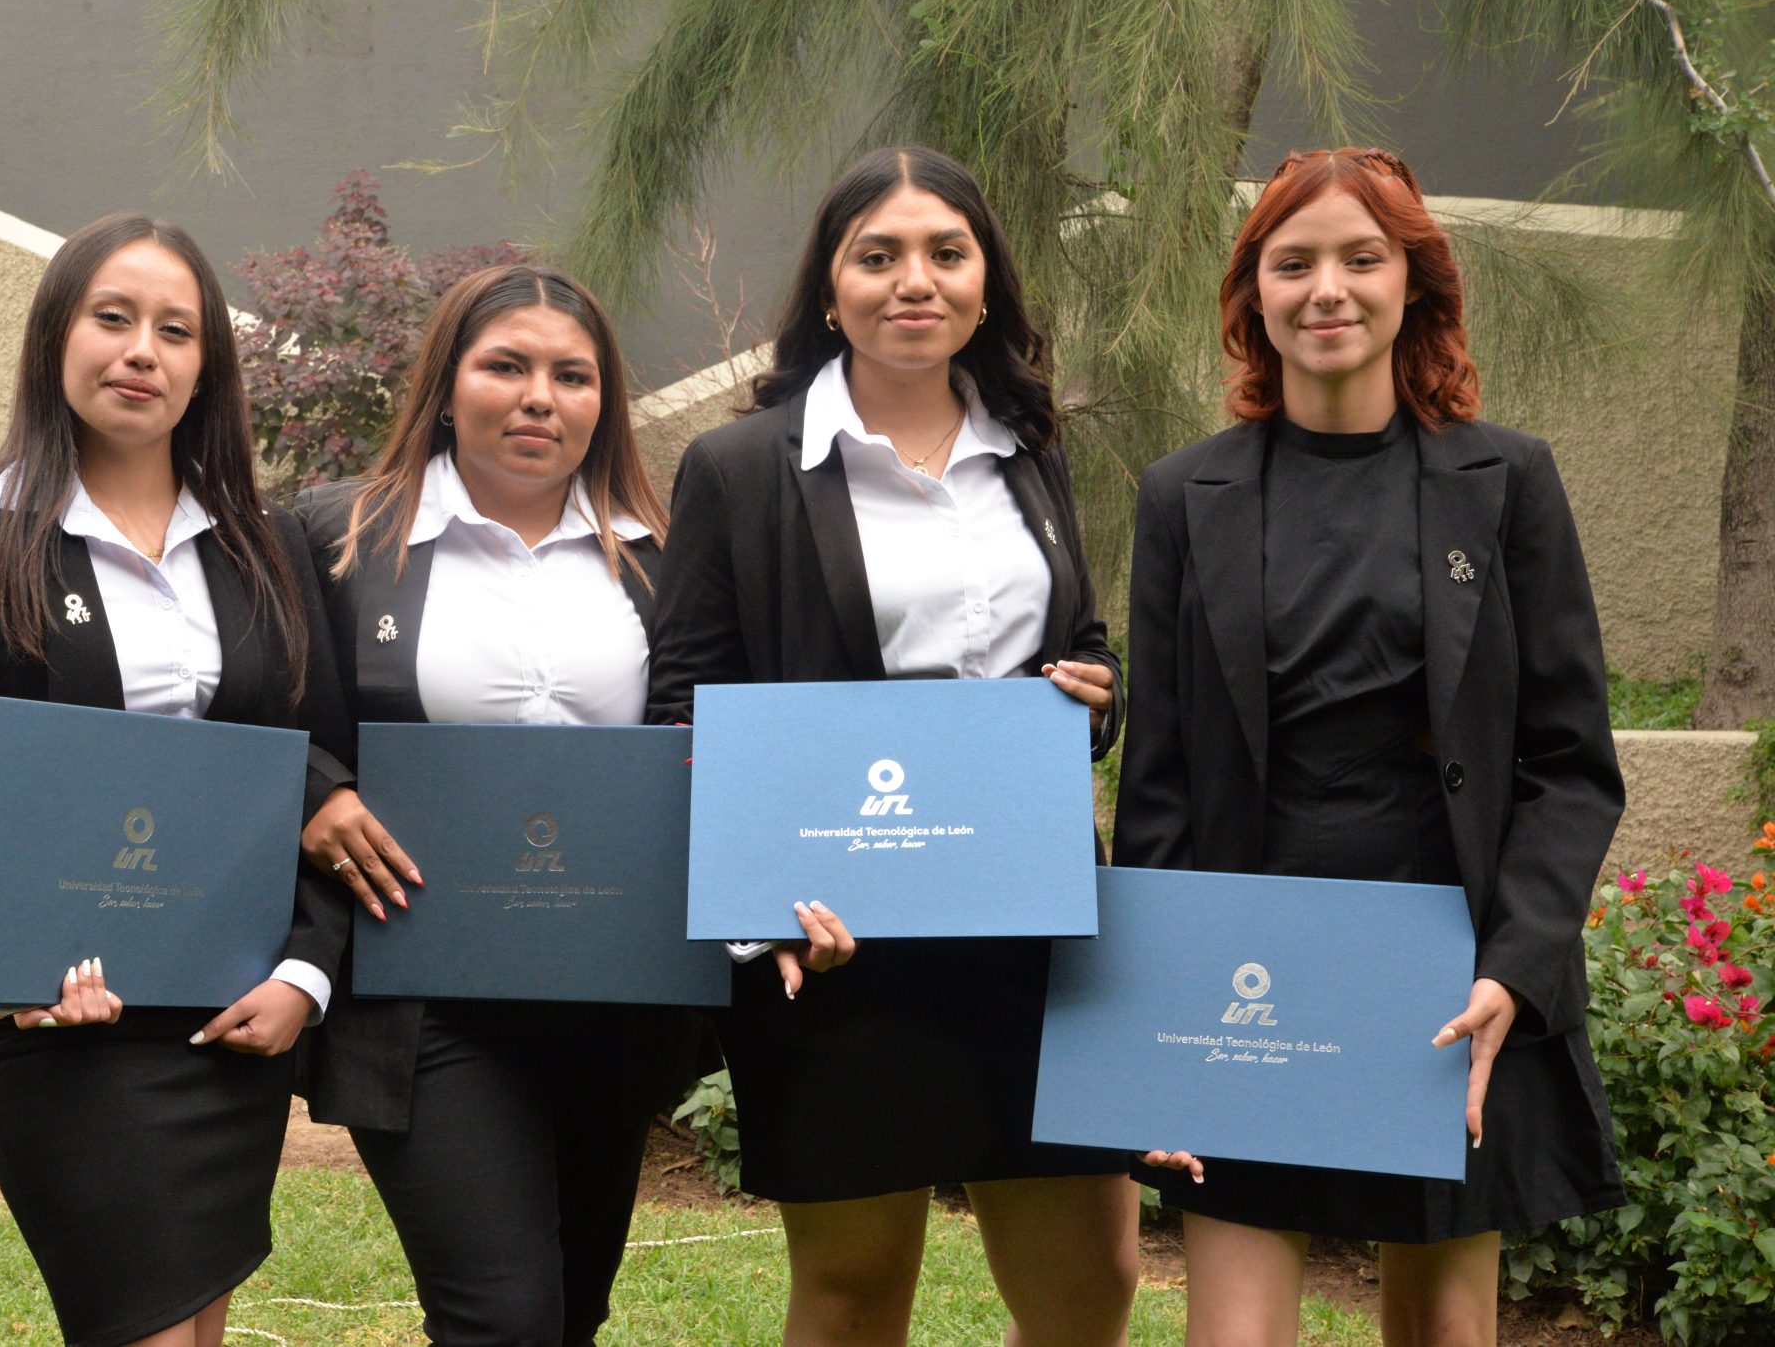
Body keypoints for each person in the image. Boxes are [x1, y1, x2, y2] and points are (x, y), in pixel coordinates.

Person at [1123, 147, 1626, 1346]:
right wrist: (1158, 1020)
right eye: (1291, 264)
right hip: (1250, 975)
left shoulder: (1505, 482)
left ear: (1414, 284)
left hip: (1451, 975)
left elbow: (1568, 760)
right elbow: (1158, 788)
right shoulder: (1180, 494)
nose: (1326, 289)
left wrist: (1514, 963)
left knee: (1442, 1332)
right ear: (1254, 295)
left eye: (1361, 257)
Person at [646, 146, 1138, 1347]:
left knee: (1092, 1281)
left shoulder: (1029, 448)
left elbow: (1077, 642)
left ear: (983, 286)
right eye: (876, 255)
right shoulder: (742, 466)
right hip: (841, 937)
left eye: (943, 253)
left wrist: (1094, 692)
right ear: (829, 289)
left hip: (1031, 920)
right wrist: (761, 905)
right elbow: (683, 703)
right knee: (857, 1284)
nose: (910, 280)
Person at [0, 213, 348, 1347]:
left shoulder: (268, 545)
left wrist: (307, 970)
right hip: (66, 1027)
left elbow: (317, 778)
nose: (140, 351)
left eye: (176, 329)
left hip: (230, 1013)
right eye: (111, 318)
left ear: (206, 364)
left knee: (196, 1327)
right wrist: (13, 943)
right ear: (55, 335)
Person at [291, 263, 687, 1347]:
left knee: (572, 1309)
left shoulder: (662, 554)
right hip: (421, 989)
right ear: (446, 380)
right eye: (504, 365)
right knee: (500, 1317)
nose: (537, 397)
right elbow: (261, 710)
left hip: (609, 987)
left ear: (601, 401)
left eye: (571, 374)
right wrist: (316, 793)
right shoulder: (337, 540)